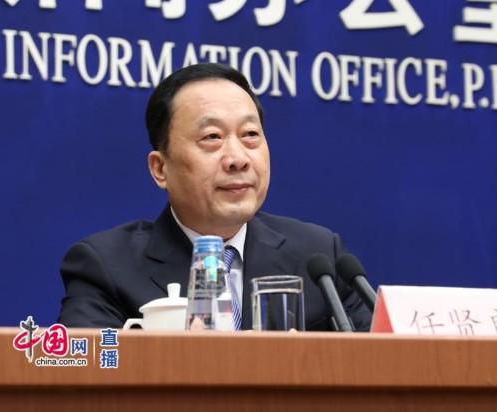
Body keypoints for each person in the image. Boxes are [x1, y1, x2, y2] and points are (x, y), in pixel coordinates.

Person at [58, 63, 371, 331]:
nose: (237, 159)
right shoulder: (107, 267)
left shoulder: (320, 257)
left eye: (250, 135)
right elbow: (85, 367)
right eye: (212, 137)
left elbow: (376, 363)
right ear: (160, 168)